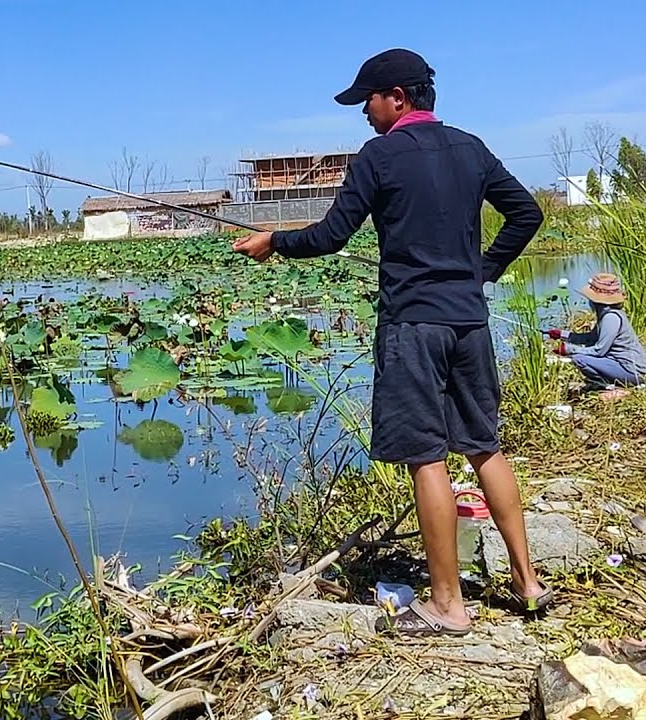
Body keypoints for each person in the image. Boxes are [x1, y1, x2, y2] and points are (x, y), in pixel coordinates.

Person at [231, 48, 550, 636]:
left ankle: (448, 606)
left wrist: (274, 240)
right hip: (470, 323)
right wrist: (484, 269)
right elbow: (525, 213)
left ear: (397, 99)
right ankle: (529, 583)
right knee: (485, 445)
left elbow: (329, 237)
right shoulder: (470, 147)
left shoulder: (378, 157)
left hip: (413, 327)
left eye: (368, 101)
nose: (365, 113)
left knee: (425, 455)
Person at [547, 273, 646, 390]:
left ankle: (604, 385)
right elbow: (591, 338)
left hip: (631, 371)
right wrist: (562, 335)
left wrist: (568, 349)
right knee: (583, 353)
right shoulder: (606, 315)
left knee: (579, 359)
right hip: (621, 365)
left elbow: (599, 350)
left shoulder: (610, 318)